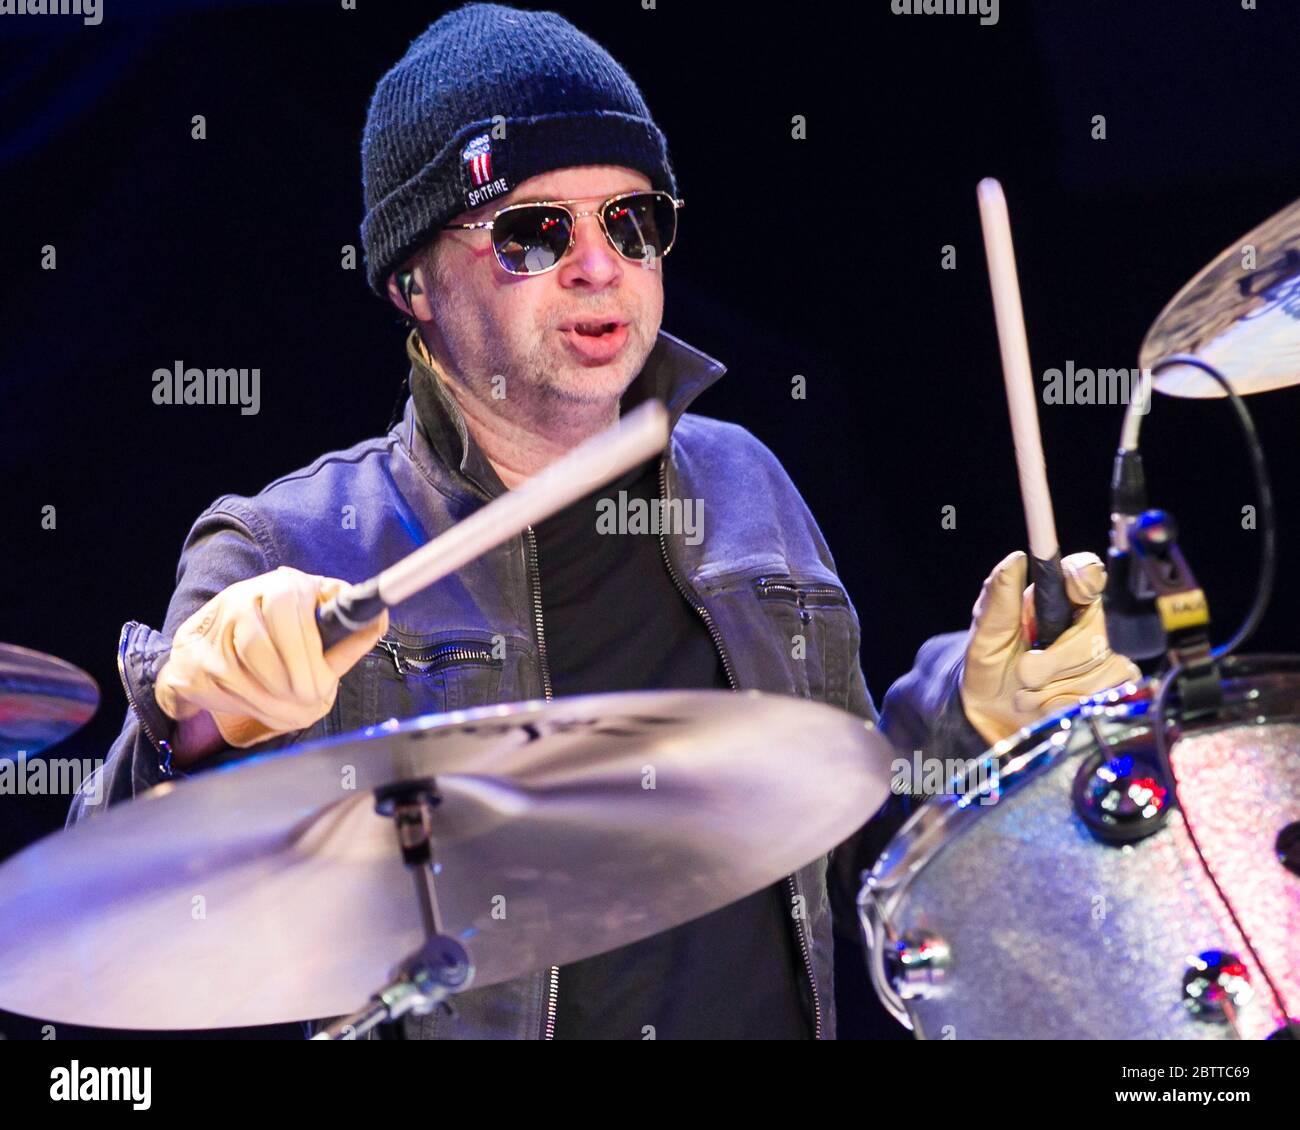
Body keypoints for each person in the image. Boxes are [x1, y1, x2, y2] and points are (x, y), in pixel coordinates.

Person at [68, 2, 1137, 1039]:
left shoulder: (744, 483)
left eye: (633, 221)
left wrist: (973, 721)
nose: (598, 264)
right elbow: (99, 929)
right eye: (535, 230)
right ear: (410, 280)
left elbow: (846, 853)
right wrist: (187, 727)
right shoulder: (288, 546)